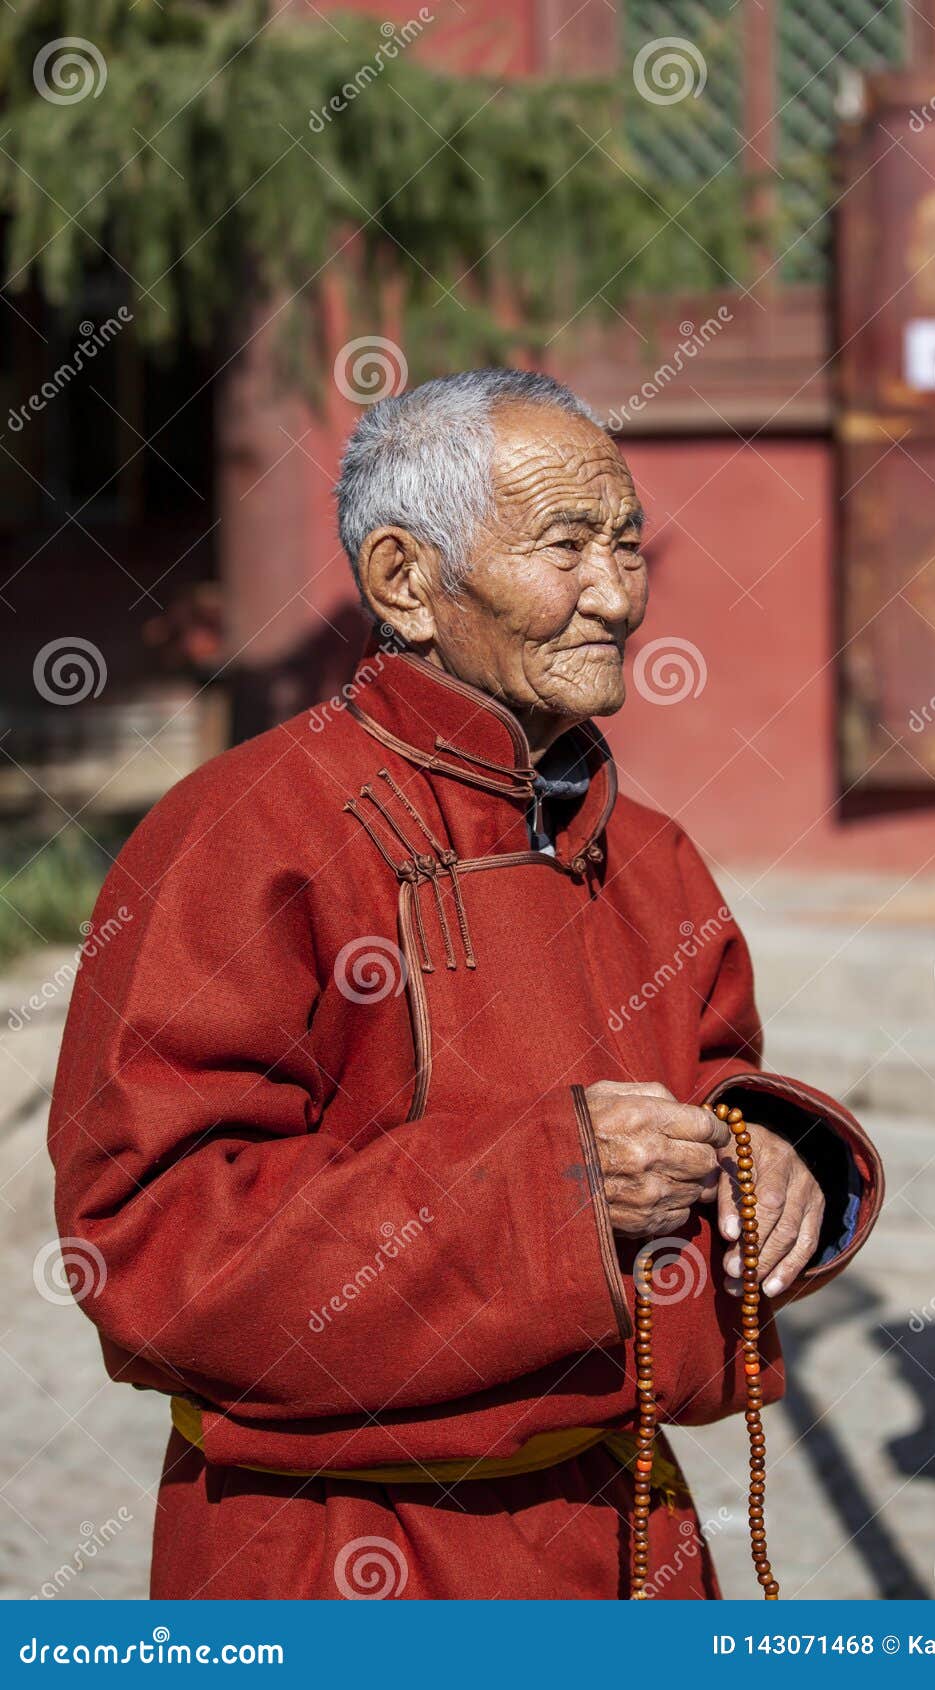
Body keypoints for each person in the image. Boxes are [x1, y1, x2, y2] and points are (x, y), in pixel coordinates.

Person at [49, 368, 882, 1600]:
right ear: (405, 584)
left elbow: (710, 1079)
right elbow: (147, 1238)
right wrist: (549, 1192)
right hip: (345, 1549)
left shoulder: (648, 855)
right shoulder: (243, 833)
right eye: (566, 547)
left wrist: (762, 1155)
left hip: (624, 1529)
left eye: (627, 545)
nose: (617, 595)